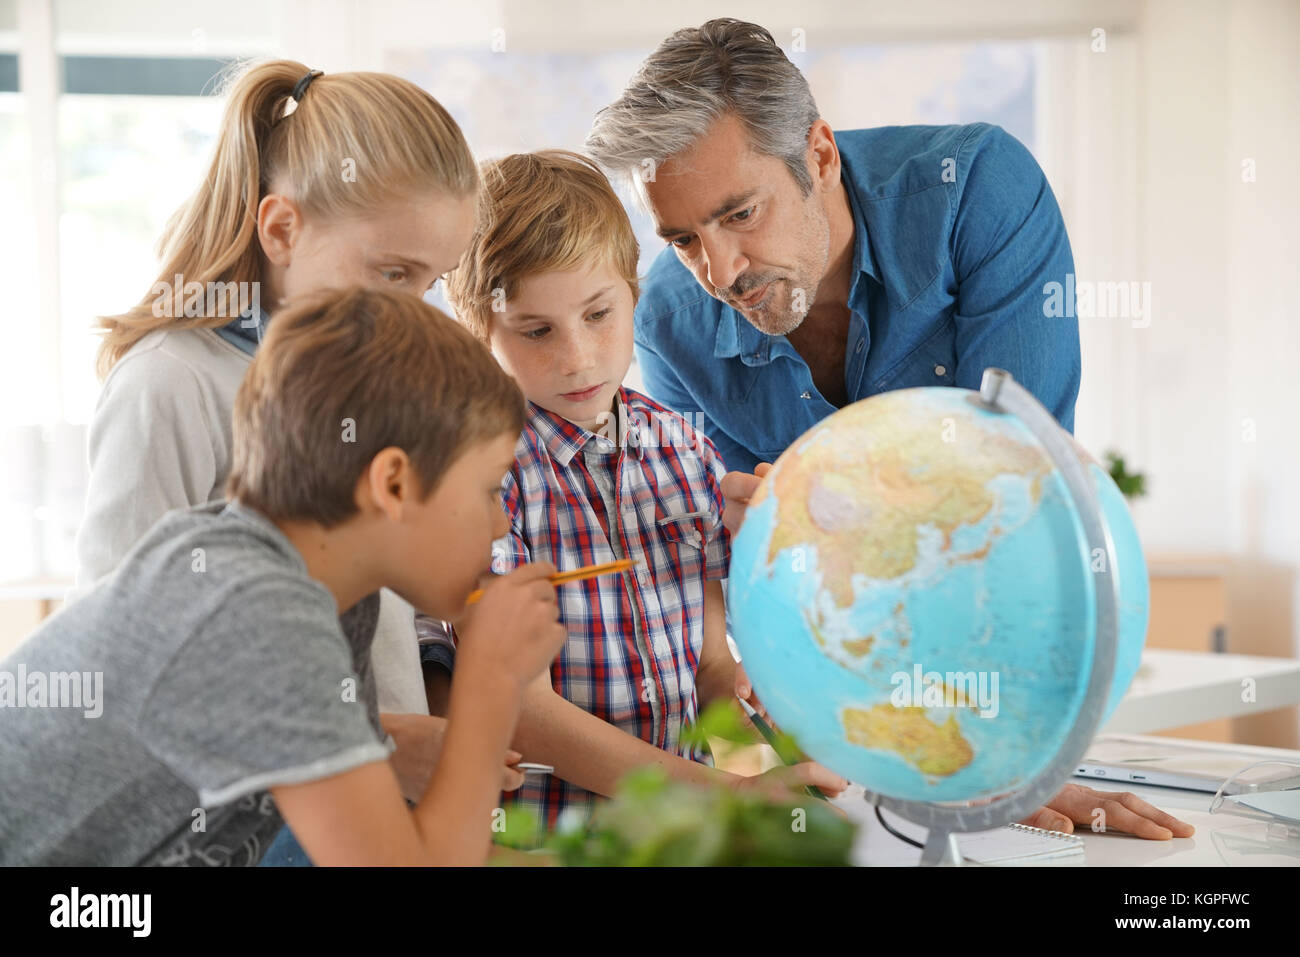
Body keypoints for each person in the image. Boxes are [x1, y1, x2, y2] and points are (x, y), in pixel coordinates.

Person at [584, 19, 1194, 841]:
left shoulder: (978, 191)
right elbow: (750, 583)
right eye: (684, 238)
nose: (720, 271)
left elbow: (1022, 498)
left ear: (821, 154)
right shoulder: (667, 318)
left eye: (740, 213)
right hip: (840, 742)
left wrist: (1019, 760)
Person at [0, 288, 568, 865]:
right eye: (491, 488)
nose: (500, 524)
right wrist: (490, 684)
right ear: (393, 485)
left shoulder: (329, 599)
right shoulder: (259, 613)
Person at [75, 59, 478, 862]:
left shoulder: (372, 385)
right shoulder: (171, 385)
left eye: (431, 282)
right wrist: (382, 741)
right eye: (391, 273)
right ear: (282, 229)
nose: (412, 311)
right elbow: (123, 681)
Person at [425, 149, 849, 834]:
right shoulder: (482, 476)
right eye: (536, 331)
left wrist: (761, 787)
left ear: (633, 292)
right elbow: (523, 713)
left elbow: (712, 669)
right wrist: (722, 794)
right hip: (555, 843)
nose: (579, 356)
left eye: (599, 313)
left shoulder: (684, 450)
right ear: (479, 334)